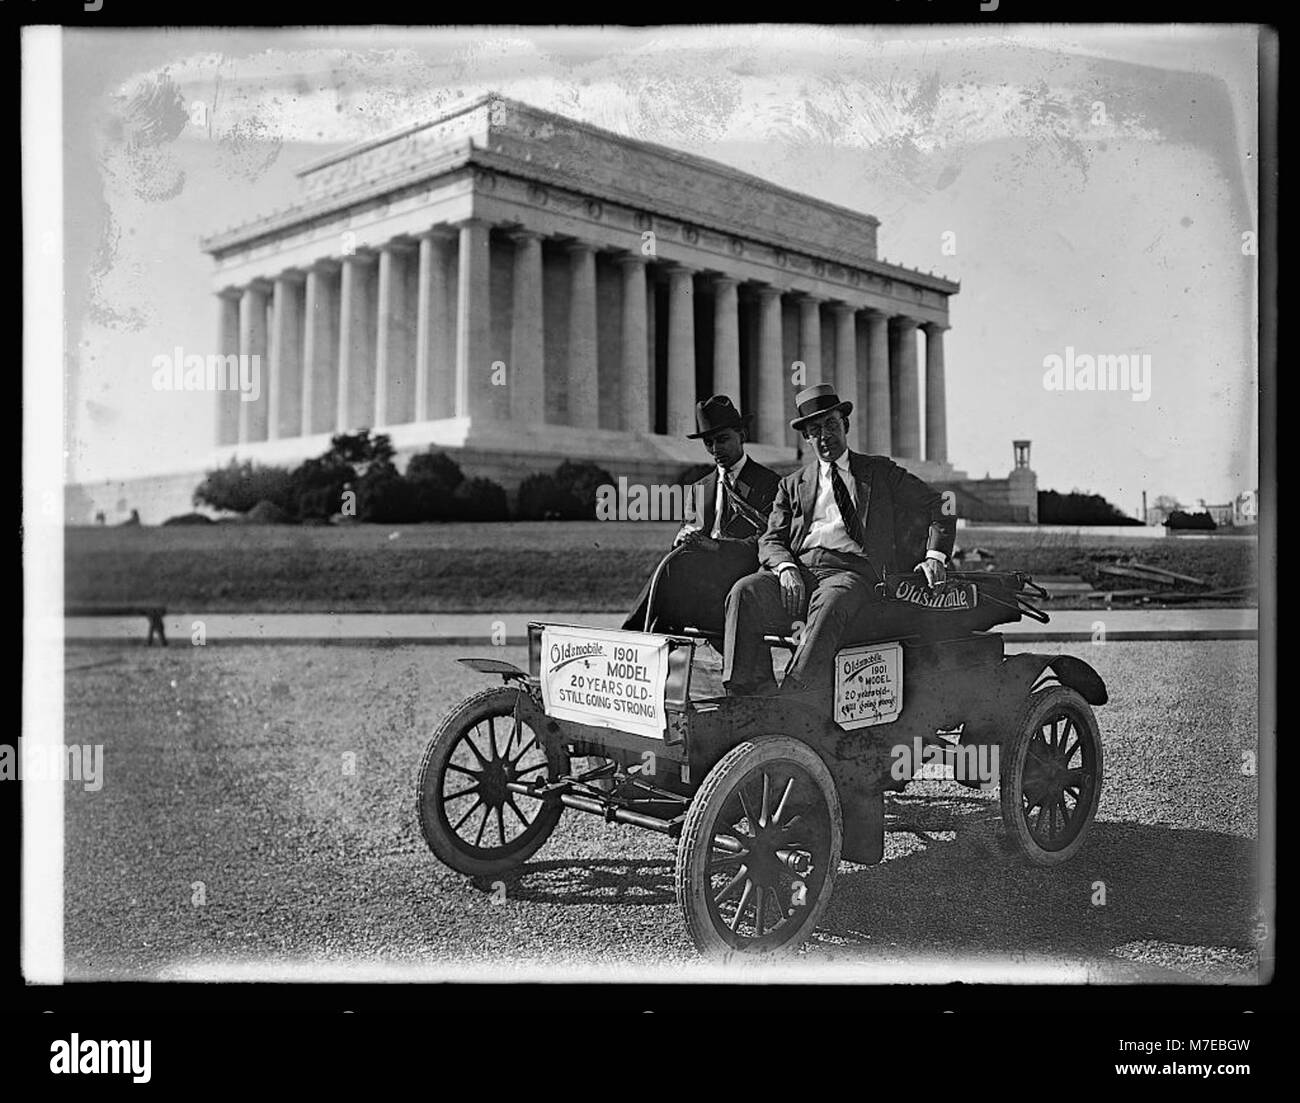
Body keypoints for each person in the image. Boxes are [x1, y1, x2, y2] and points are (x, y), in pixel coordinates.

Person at [722, 382, 956, 701]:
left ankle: (792, 698)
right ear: (806, 437)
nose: (824, 436)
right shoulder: (792, 485)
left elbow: (942, 503)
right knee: (744, 591)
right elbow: (771, 539)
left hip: (851, 574)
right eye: (815, 429)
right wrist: (786, 567)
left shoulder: (878, 472)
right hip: (800, 572)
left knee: (831, 601)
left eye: (831, 425)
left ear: (845, 425)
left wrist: (935, 556)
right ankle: (746, 694)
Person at [623, 395, 781, 635]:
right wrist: (683, 540)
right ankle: (638, 643)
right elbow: (690, 530)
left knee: (673, 576)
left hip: (742, 576)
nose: (716, 449)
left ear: (742, 435)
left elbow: (767, 542)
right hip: (702, 579)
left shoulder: (768, 484)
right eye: (709, 442)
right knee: (675, 565)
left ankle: (631, 638)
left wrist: (716, 547)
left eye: (723, 439)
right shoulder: (700, 488)